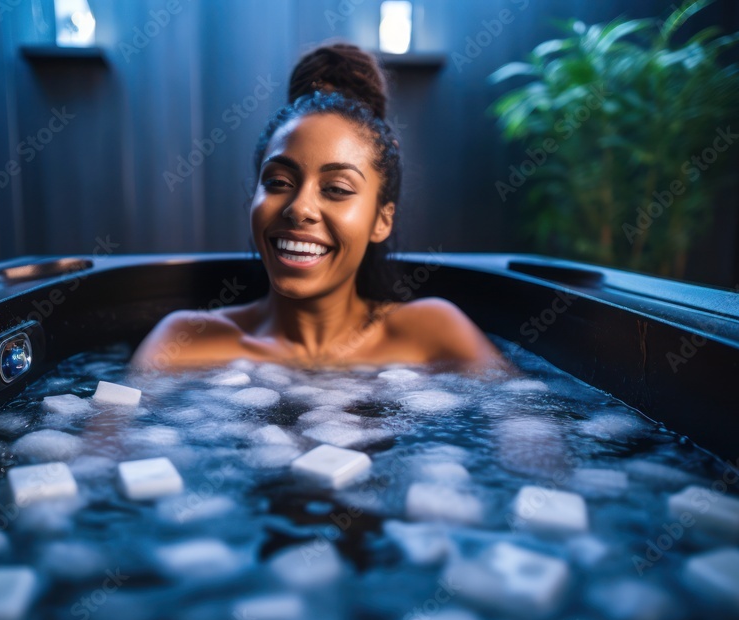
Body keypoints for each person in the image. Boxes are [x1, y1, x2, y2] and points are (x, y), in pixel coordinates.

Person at [131, 43, 506, 373]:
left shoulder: (434, 336)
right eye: (278, 183)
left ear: (381, 219)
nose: (300, 208)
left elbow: (534, 434)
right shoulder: (184, 344)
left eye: (337, 189)